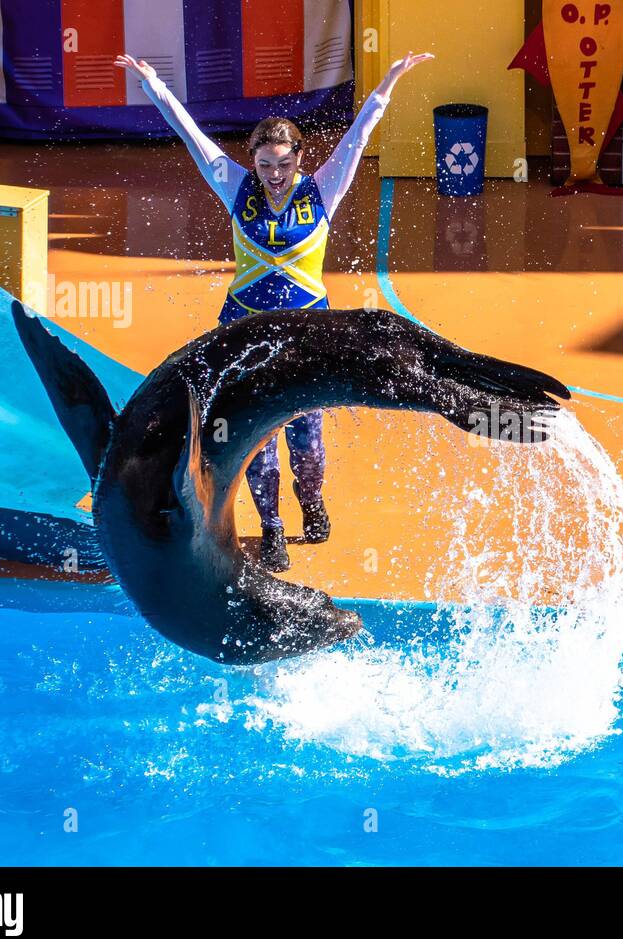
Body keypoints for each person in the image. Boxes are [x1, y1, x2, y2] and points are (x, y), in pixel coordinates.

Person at [114, 50, 433, 572]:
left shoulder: (322, 190)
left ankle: (311, 502)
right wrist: (152, 83)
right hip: (244, 331)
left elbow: (358, 136)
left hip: (309, 333)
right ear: (252, 162)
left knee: (307, 436)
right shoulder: (234, 184)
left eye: (284, 163)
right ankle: (272, 528)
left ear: (299, 159)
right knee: (256, 437)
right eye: (265, 164)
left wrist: (390, 81)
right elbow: (189, 131)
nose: (275, 174)